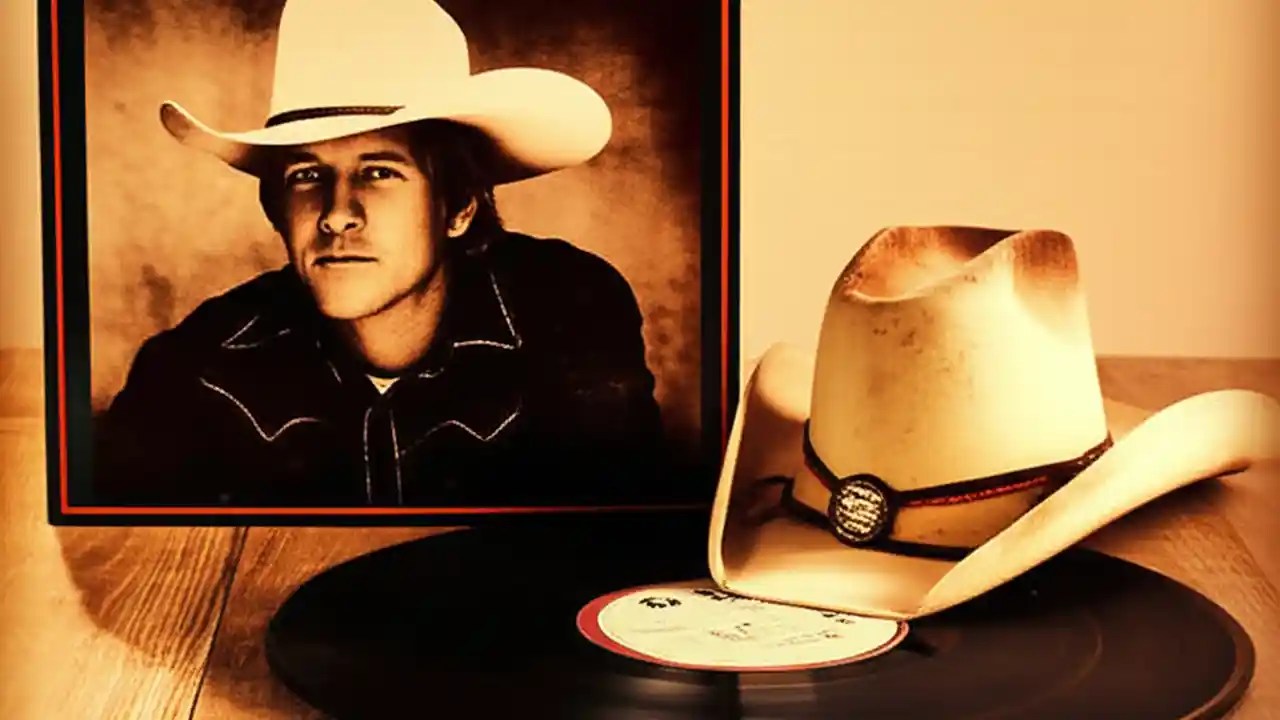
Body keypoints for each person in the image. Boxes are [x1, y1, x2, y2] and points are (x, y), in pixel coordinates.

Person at [91, 0, 666, 507]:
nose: (337, 213)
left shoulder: (568, 311)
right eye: (307, 174)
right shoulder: (197, 364)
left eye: (379, 172)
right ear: (275, 209)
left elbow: (619, 538)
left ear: (459, 206)